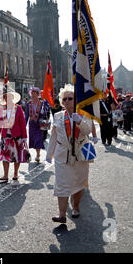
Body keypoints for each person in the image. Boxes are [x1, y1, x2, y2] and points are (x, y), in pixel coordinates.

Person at [45, 84, 92, 223]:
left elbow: (88, 131)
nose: (66, 101)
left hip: (80, 154)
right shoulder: (58, 116)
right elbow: (54, 136)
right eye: (64, 99)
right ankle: (62, 214)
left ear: (76, 99)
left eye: (70, 98)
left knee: (78, 183)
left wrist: (80, 122)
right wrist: (49, 154)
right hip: (62, 155)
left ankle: (76, 207)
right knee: (62, 184)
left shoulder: (84, 114)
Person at [0, 89, 28, 183]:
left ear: (12, 98)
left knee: (17, 156)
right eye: (5, 97)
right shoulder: (2, 109)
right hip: (6, 137)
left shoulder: (18, 108)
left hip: (17, 136)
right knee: (5, 156)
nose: (7, 99)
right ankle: (5, 175)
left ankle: (16, 173)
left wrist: (24, 137)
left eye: (9, 97)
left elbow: (22, 123)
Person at [25, 86, 50, 162]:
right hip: (32, 124)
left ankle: (38, 154)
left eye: (34, 93)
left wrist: (44, 110)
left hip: (39, 124)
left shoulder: (42, 103)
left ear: (37, 94)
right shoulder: (28, 103)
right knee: (33, 140)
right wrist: (23, 125)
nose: (33, 95)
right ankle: (37, 152)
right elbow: (26, 115)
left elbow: (47, 110)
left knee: (38, 139)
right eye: (32, 93)